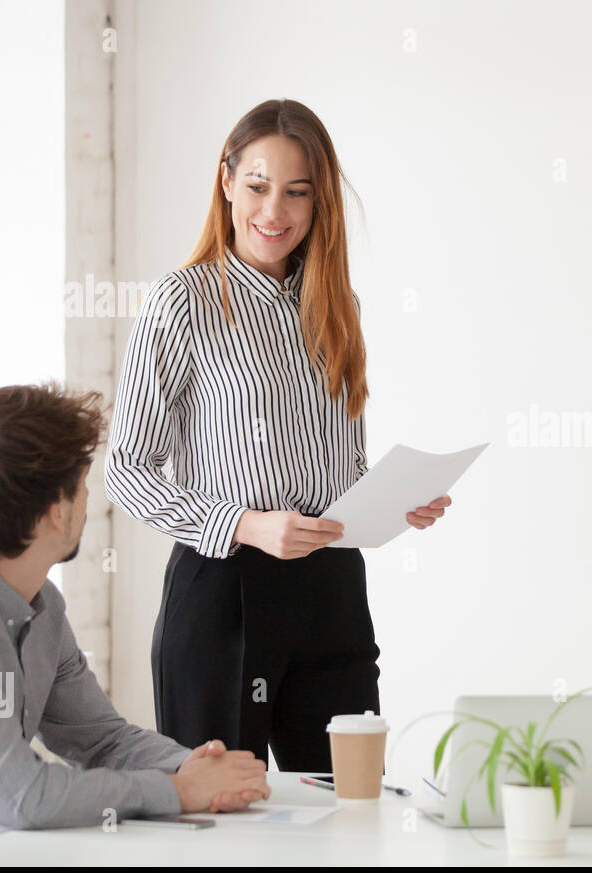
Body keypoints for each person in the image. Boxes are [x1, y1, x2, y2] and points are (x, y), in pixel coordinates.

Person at [104, 98, 451, 773]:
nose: (275, 211)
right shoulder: (183, 302)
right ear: (227, 181)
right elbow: (127, 470)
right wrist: (247, 525)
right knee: (223, 819)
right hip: (223, 593)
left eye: (297, 192)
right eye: (259, 186)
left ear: (320, 201)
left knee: (347, 802)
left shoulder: (337, 306)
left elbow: (338, 466)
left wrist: (389, 506)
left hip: (333, 593)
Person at [0, 383, 269, 861]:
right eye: (82, 486)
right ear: (57, 513)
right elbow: (21, 796)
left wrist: (196, 766)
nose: (88, 500)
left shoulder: (41, 605)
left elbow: (101, 739)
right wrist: (179, 793)